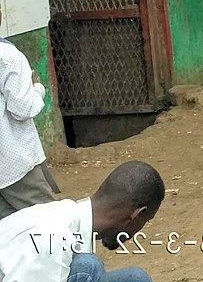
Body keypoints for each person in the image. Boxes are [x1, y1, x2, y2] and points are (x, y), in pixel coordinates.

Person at [0, 161, 163, 282]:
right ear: (136, 215)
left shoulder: (69, 215)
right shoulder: (54, 241)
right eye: (146, 221)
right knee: (88, 266)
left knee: (135, 278)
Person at [0, 22, 57, 220]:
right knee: (48, 221)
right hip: (12, 162)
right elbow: (22, 109)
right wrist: (38, 89)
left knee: (7, 232)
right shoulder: (8, 56)